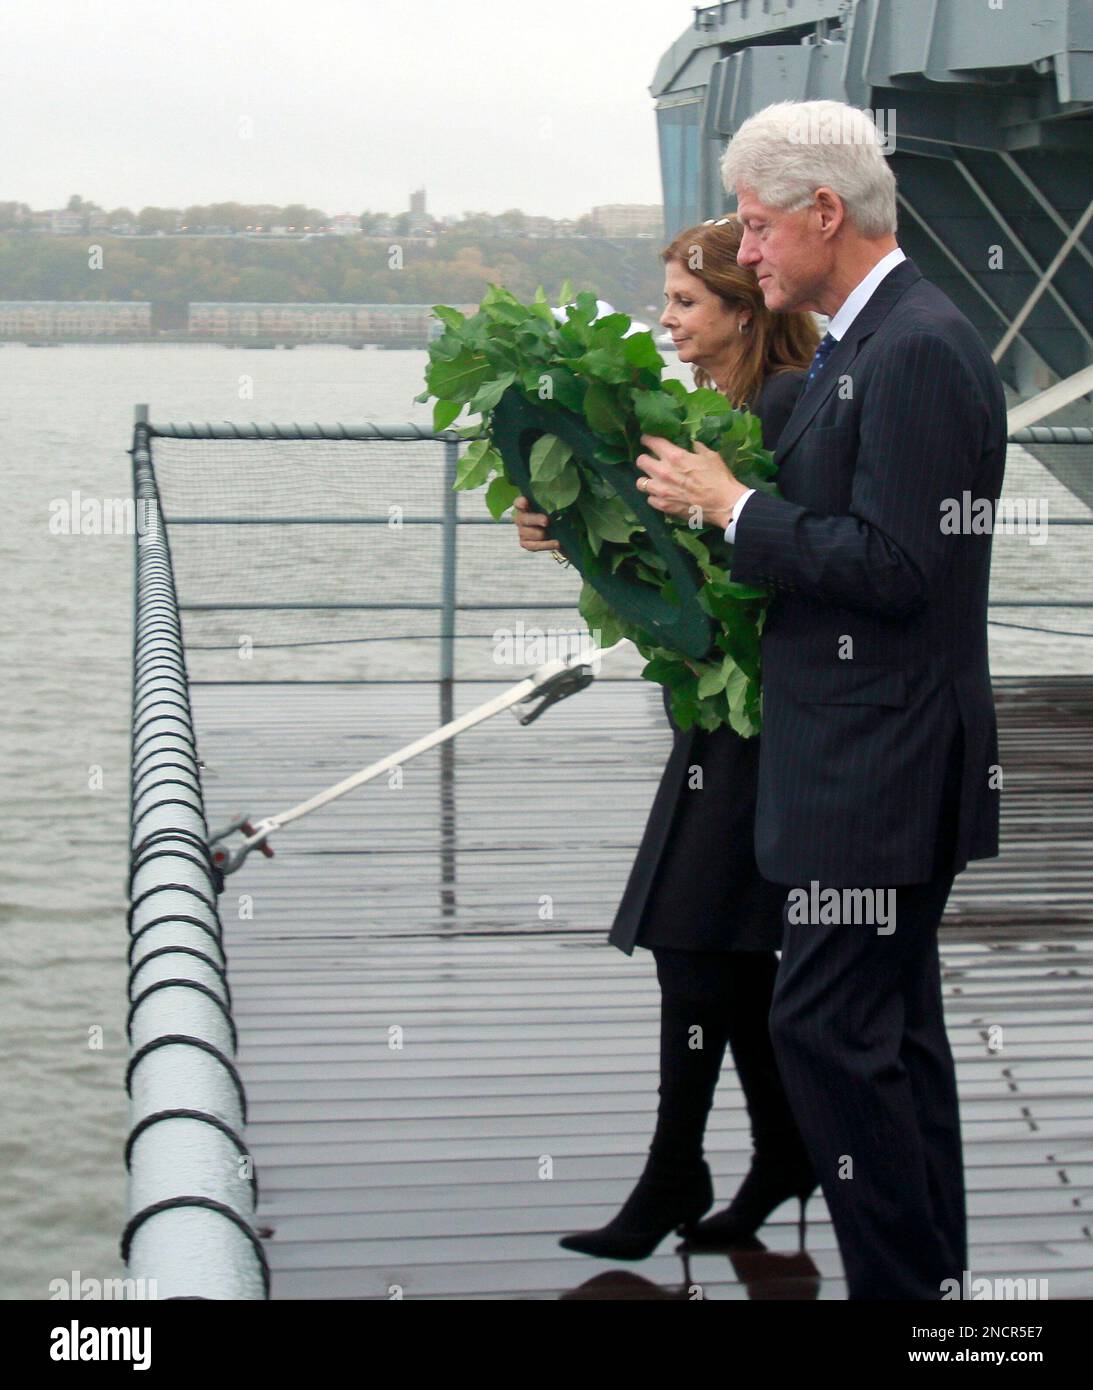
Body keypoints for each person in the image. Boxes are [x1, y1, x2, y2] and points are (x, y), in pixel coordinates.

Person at [632, 100, 1006, 1299]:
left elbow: (899, 565)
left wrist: (736, 508)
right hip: (862, 759)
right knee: (888, 1037)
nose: (742, 253)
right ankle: (931, 1300)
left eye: (754, 228)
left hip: (878, 770)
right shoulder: (865, 338)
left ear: (824, 214)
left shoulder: (913, 348)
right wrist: (698, 507)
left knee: (831, 1035)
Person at [514, 216, 822, 1260]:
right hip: (718, 716)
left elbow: (777, 561)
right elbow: (670, 579)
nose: (667, 320)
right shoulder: (715, 411)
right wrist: (571, 537)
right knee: (718, 951)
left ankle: (680, 1170)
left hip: (769, 721)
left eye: (687, 303)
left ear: (744, 311)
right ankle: (777, 1151)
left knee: (701, 944)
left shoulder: (781, 409)